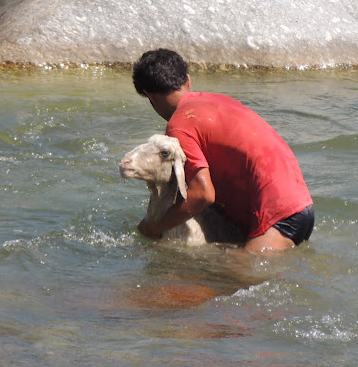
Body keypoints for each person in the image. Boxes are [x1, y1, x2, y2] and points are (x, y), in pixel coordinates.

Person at [132, 48, 314, 252]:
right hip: (301, 202)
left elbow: (203, 194)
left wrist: (155, 226)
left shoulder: (180, 124)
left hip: (276, 214)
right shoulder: (219, 101)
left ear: (149, 96)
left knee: (225, 281)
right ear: (188, 80)